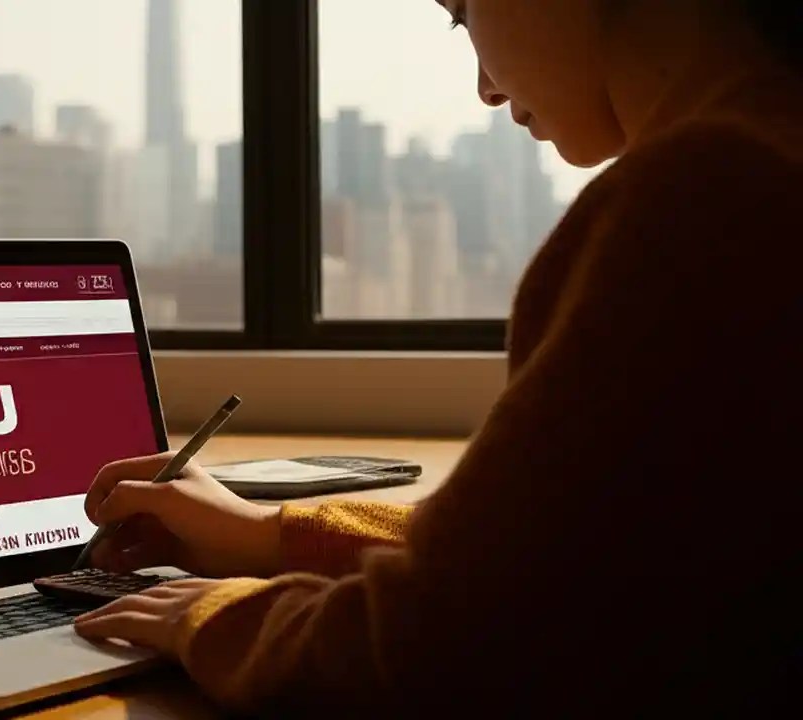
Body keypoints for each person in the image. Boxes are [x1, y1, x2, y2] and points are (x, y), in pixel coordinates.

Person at [73, 0, 802, 715]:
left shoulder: (711, 195)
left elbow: (432, 652)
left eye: (462, 13)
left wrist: (213, 616)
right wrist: (271, 534)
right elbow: (538, 559)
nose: (484, 87)